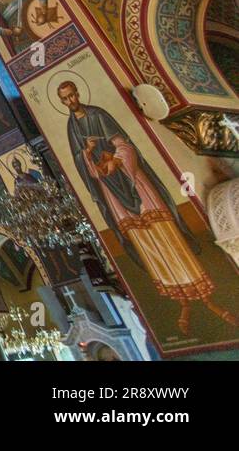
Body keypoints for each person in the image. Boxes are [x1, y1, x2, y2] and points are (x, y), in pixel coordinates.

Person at [61, 81, 235, 334]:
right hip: (111, 190)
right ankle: (181, 301)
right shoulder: (70, 126)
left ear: (77, 94)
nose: (70, 101)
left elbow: (124, 145)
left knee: (165, 231)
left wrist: (116, 162)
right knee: (143, 240)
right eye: (65, 99)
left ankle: (208, 298)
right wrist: (87, 154)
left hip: (133, 181)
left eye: (71, 95)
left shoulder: (98, 114)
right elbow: (79, 161)